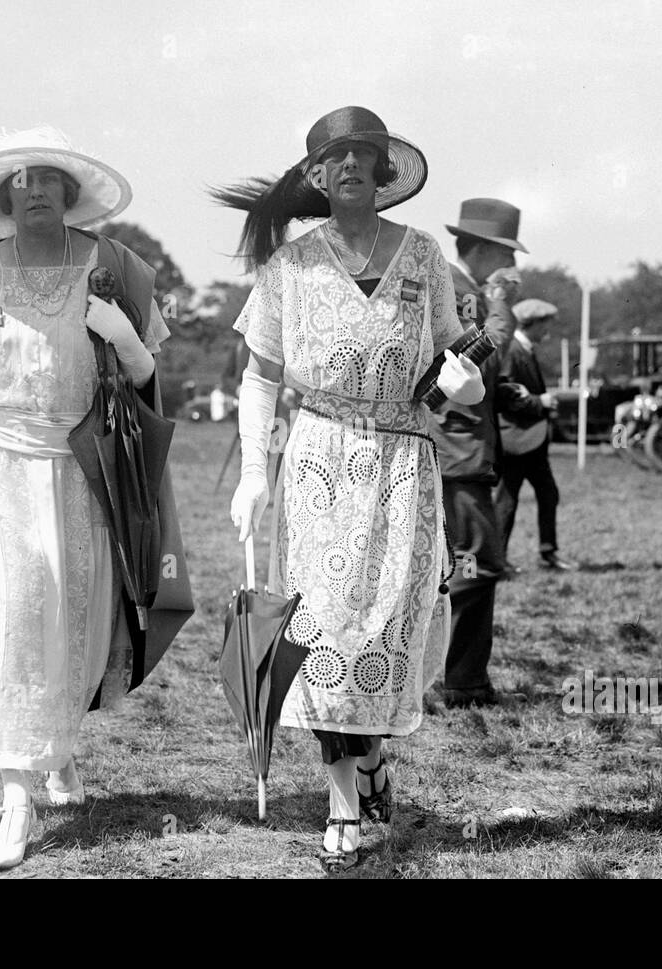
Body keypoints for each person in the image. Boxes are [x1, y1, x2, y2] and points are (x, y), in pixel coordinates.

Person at [0, 127, 191, 870]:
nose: (36, 190)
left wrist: (123, 336)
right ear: (3, 197)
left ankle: (58, 749)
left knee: (71, 623)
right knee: (9, 615)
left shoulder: (111, 267)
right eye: (21, 181)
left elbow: (148, 378)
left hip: (80, 470)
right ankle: (16, 796)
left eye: (48, 178)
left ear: (68, 191)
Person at [214, 106, 483, 871]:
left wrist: (463, 385)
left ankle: (369, 759)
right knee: (324, 629)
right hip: (320, 462)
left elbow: (448, 360)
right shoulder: (291, 266)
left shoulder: (424, 255)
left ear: (383, 170)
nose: (353, 165)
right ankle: (343, 802)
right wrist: (255, 474)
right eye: (337, 157)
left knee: (389, 627)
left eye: (365, 153)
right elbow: (260, 376)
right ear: (318, 176)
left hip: (403, 463)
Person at [429, 198, 525, 706]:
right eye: (507, 253)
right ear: (484, 249)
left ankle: (452, 678)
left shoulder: (457, 285)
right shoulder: (461, 290)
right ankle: (460, 681)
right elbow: (475, 362)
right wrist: (502, 304)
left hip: (456, 449)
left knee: (460, 564)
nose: (512, 265)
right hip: (457, 453)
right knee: (474, 564)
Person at [494, 297, 577, 573]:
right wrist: (539, 402)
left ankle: (547, 553)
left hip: (531, 440)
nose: (547, 331)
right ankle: (498, 560)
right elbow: (504, 395)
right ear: (531, 323)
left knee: (548, 494)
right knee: (507, 501)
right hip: (517, 442)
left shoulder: (524, 350)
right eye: (545, 325)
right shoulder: (514, 351)